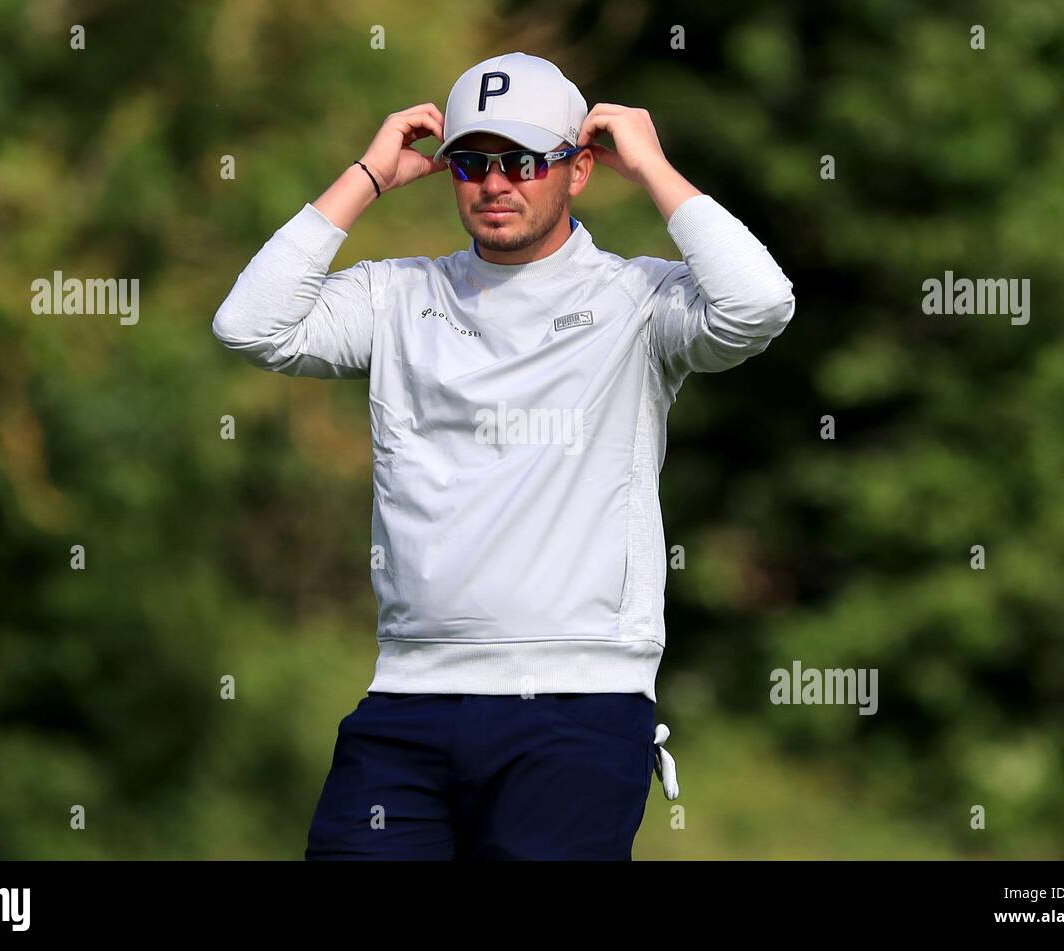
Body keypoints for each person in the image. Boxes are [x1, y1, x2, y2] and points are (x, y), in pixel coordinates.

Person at [212, 51, 795, 860]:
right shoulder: (399, 295)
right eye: (472, 162)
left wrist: (655, 169)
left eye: (524, 160)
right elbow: (252, 324)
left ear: (578, 169)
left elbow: (758, 303)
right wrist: (367, 176)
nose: (496, 183)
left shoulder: (639, 299)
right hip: (408, 700)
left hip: (578, 705)